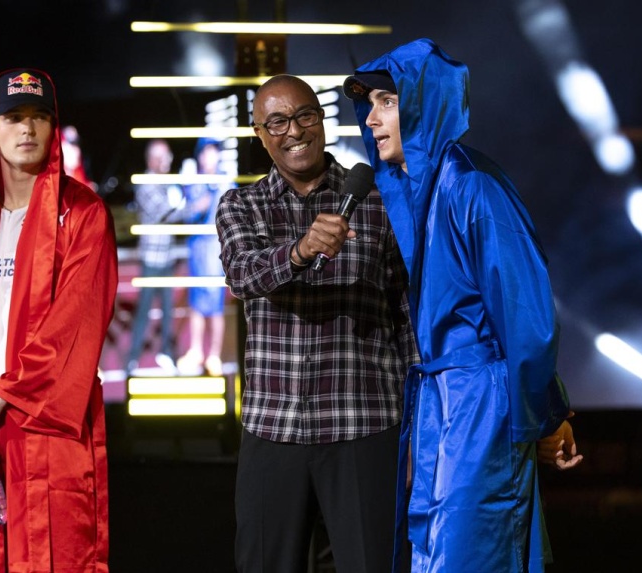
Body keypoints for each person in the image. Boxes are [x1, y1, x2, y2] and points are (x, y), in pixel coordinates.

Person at [344, 38, 583, 572]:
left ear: (423, 102)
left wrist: (545, 415)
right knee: (435, 555)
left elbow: (525, 316)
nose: (374, 118)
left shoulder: (471, 185)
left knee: (471, 553)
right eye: (372, 104)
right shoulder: (415, 192)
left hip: (482, 403)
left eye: (388, 101)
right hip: (441, 403)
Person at [216, 74, 419, 573]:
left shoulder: (379, 202)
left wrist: (421, 427)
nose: (295, 131)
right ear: (260, 134)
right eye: (277, 122)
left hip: (365, 423)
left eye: (305, 115)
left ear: (322, 121)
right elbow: (244, 274)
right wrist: (301, 251)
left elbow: (407, 315)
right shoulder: (240, 205)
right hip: (272, 428)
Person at [0, 67, 117, 572]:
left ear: (55, 128)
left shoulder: (84, 215)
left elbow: (76, 324)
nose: (27, 129)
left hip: (52, 423)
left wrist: (0, 397)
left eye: (39, 117)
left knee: (58, 557)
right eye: (14, 117)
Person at [126, 139, 187, 375]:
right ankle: (132, 359)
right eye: (163, 156)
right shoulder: (146, 183)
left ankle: (167, 354)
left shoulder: (167, 182)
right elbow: (164, 213)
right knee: (144, 310)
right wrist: (193, 206)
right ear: (151, 159)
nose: (167, 160)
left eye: (169, 156)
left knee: (168, 310)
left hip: (167, 257)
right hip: (151, 258)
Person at [176, 137, 228, 376]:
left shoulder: (226, 181)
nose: (211, 157)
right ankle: (196, 351)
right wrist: (199, 200)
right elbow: (185, 212)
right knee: (196, 303)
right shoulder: (194, 182)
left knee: (216, 304)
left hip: (216, 249)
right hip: (197, 247)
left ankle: (214, 355)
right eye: (206, 152)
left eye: (214, 152)